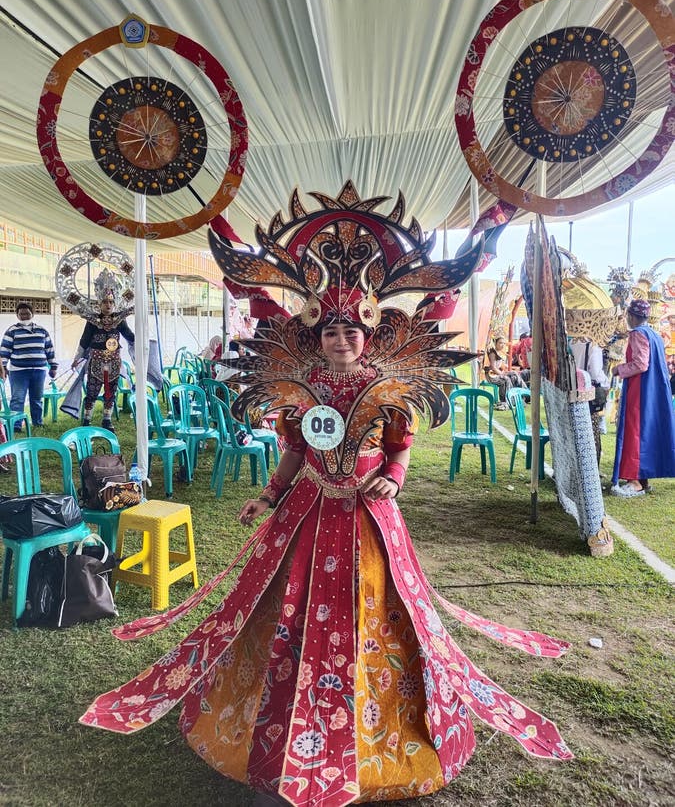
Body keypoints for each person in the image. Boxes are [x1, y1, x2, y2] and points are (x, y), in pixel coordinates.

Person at [81, 287, 572, 806]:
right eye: (331, 333)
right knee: (285, 604)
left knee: (379, 606)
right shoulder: (303, 387)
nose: (341, 340)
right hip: (308, 512)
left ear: (367, 336)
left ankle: (377, 734)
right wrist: (270, 494)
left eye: (351, 332)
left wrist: (394, 480)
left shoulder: (387, 386)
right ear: (318, 339)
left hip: (368, 514)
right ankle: (276, 718)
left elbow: (400, 447)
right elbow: (294, 451)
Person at [610, 299, 675, 497]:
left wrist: (618, 369)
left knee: (634, 431)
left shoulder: (638, 334)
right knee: (646, 431)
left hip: (641, 389)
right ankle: (643, 477)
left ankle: (635, 480)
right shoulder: (654, 334)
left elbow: (640, 364)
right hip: (653, 390)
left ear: (631, 316)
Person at [71, 291, 134, 432]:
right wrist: (77, 359)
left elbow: (129, 336)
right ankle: (86, 420)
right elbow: (85, 341)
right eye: (105, 302)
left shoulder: (119, 320)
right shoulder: (93, 320)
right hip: (96, 362)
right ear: (100, 304)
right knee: (92, 391)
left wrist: (143, 343)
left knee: (111, 391)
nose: (108, 305)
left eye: (111, 302)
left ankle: (107, 420)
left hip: (114, 362)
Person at [0, 301, 57, 431]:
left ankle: (37, 422)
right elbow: (4, 351)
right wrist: (3, 367)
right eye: (21, 314)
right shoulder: (12, 331)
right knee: (18, 399)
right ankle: (16, 425)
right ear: (17, 315)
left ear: (32, 314)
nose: (24, 316)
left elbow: (49, 349)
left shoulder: (42, 330)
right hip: (18, 372)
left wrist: (53, 366)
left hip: (39, 371)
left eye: (27, 313)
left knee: (37, 398)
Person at [570, 338, 610, 465]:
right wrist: (606, 383)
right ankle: (590, 468)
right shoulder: (593, 347)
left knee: (573, 432)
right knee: (591, 434)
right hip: (588, 394)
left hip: (571, 390)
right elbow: (596, 373)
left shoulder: (570, 343)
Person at [485, 335, 524, 407]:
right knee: (506, 379)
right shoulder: (492, 353)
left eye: (503, 343)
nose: (502, 345)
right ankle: (506, 400)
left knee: (514, 374)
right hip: (491, 376)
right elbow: (493, 368)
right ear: (495, 343)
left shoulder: (499, 352)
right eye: (500, 343)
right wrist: (502, 374)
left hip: (497, 374)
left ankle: (523, 394)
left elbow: (500, 366)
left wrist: (506, 370)